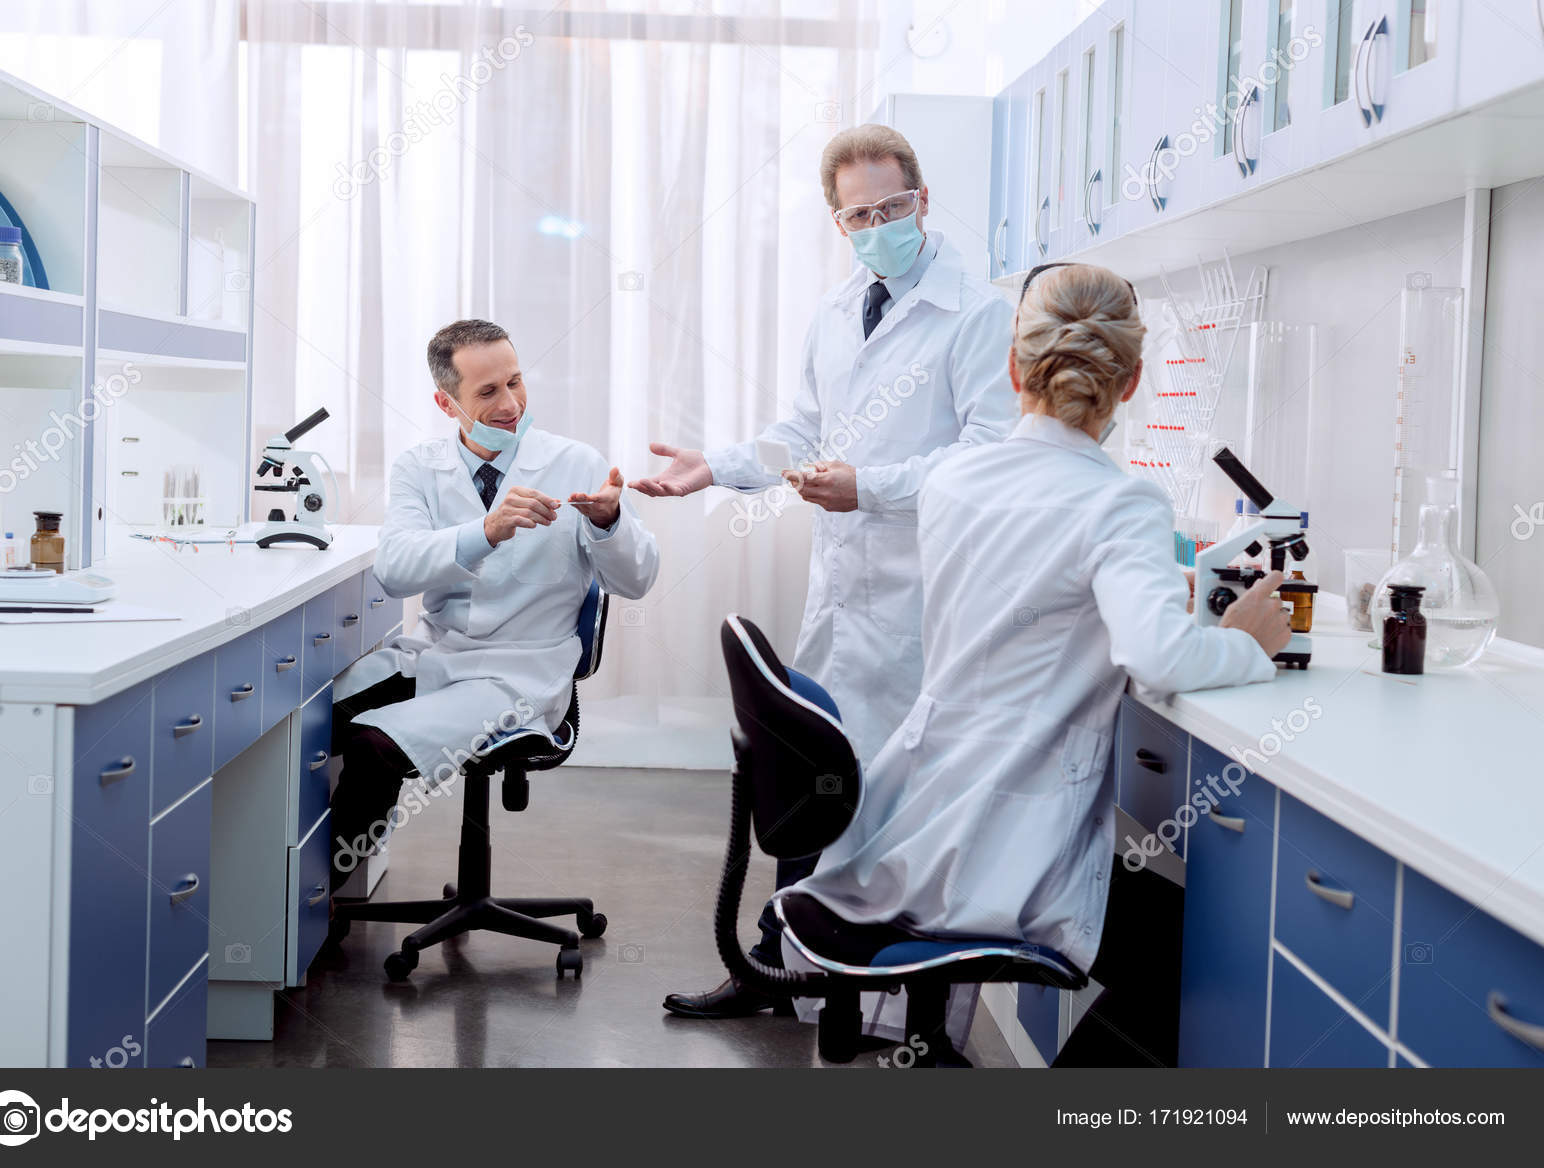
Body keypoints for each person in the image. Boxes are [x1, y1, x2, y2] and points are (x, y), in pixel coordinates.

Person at [784, 263, 1293, 1066]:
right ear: (1129, 388)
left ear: (1014, 370)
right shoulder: (1121, 502)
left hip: (913, 822)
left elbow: (1022, 586)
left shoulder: (953, 477)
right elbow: (1158, 654)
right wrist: (1249, 641)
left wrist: (1144, 582)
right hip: (1006, 845)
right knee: (1198, 962)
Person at [633, 124, 1018, 1019]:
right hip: (845, 594)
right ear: (837, 223)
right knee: (815, 778)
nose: (877, 225)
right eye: (858, 215)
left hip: (927, 603)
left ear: (923, 201)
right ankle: (774, 967)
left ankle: (895, 1006)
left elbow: (991, 456)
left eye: (891, 207)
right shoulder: (840, 309)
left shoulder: (981, 313)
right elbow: (800, 434)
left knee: (897, 806)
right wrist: (716, 466)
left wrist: (871, 488)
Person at [328, 319, 660, 893]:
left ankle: (316, 902)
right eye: (487, 392)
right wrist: (484, 531)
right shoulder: (419, 466)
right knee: (309, 721)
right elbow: (397, 568)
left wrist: (610, 524)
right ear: (445, 401)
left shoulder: (574, 461)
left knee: (373, 748)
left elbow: (638, 580)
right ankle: (282, 903)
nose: (510, 404)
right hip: (439, 654)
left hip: (519, 672)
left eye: (515, 382)